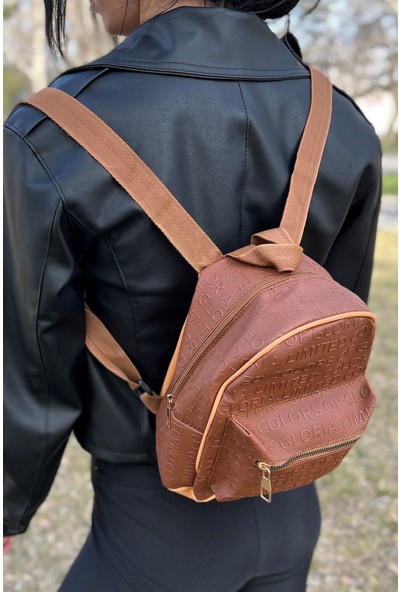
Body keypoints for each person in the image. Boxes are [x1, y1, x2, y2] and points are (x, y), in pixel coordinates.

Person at [4, 0, 382, 590]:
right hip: (289, 499)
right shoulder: (341, 119)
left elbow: (32, 371)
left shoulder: (54, 132)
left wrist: (9, 503)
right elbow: (334, 331)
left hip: (152, 531)